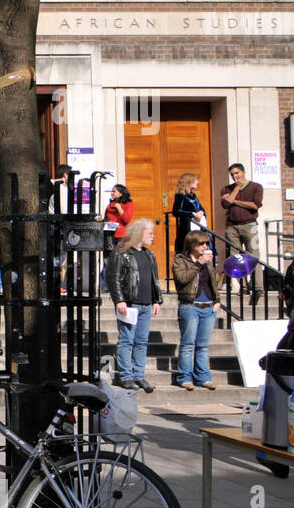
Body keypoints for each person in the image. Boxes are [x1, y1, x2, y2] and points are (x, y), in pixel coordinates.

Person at [109, 219, 161, 393]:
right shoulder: (121, 253)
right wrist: (119, 300)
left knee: (141, 341)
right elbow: (113, 278)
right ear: (139, 233)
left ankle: (139, 375)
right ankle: (125, 376)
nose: (152, 236)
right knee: (126, 340)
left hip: (146, 304)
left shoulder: (149, 254)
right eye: (150, 233)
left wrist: (156, 300)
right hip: (130, 304)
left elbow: (154, 280)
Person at [172, 231, 218, 391]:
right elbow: (182, 279)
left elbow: (212, 282)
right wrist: (198, 264)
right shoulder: (181, 260)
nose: (205, 247)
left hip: (208, 306)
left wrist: (217, 300)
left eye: (206, 244)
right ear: (192, 244)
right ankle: (185, 377)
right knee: (188, 344)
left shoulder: (208, 262)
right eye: (201, 244)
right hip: (190, 306)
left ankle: (203, 377)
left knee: (203, 345)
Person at [220, 163, 264, 299]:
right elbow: (226, 204)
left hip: (249, 225)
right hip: (231, 227)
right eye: (232, 174)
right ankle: (243, 286)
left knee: (253, 255)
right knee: (237, 258)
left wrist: (235, 201)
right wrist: (236, 189)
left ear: (243, 172)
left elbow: (255, 205)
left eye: (237, 173)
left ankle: (257, 287)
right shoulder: (227, 188)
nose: (235, 176)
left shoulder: (256, 187)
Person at [101, 184, 134, 289]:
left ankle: (121, 284)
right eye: (112, 191)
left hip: (121, 236)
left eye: (114, 191)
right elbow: (105, 218)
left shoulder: (128, 204)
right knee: (108, 260)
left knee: (121, 260)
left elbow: (126, 219)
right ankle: (105, 286)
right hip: (109, 235)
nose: (112, 193)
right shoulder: (109, 206)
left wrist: (119, 208)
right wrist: (105, 223)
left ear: (121, 193)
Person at [170, 173, 206, 246]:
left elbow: (200, 207)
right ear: (188, 182)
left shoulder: (193, 196)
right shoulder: (181, 196)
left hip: (198, 226)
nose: (197, 182)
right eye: (195, 180)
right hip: (187, 228)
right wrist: (192, 214)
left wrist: (202, 212)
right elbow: (176, 211)